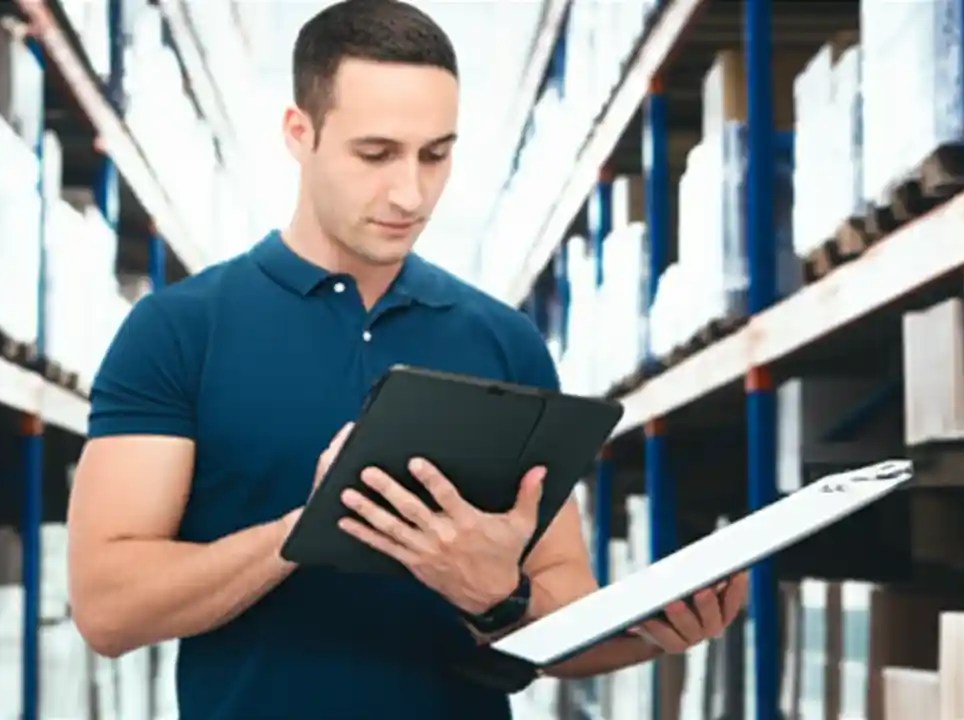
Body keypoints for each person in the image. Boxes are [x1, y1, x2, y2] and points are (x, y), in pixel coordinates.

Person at [65, 1, 748, 718]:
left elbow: (561, 611)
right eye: (376, 154)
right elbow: (109, 607)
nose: (410, 193)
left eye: (436, 154)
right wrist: (310, 528)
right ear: (300, 134)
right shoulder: (179, 331)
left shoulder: (503, 342)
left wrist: (636, 627)